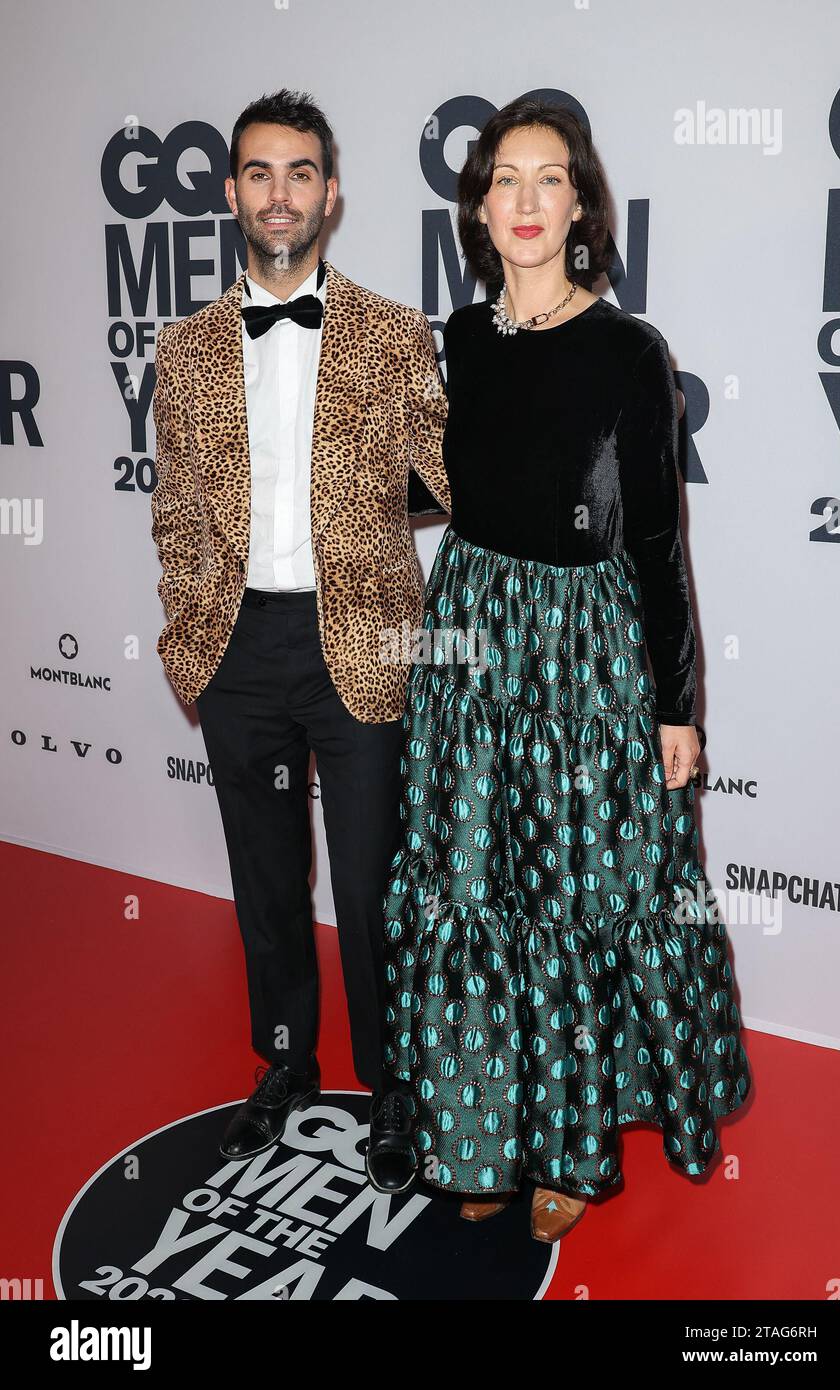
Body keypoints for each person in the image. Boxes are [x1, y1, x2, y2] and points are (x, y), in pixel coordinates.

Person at [375, 97, 752, 1242]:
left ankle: (570, 1153)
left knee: (581, 901)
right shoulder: (456, 342)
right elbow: (435, 490)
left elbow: (654, 548)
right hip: (474, 645)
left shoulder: (632, 353)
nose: (526, 202)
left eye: (550, 179)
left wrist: (677, 709)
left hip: (586, 664)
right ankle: (476, 1128)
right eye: (505, 180)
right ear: (478, 207)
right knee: (477, 891)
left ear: (581, 203)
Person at [150, 89, 449, 1165]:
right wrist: (191, 632)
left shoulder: (391, 330)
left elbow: (448, 478)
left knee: (373, 880)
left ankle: (395, 1079)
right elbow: (176, 507)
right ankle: (284, 1056)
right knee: (265, 877)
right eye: (261, 173)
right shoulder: (182, 349)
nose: (282, 194)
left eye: (301, 173)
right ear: (232, 193)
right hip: (237, 649)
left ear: (333, 193)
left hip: (359, 638)